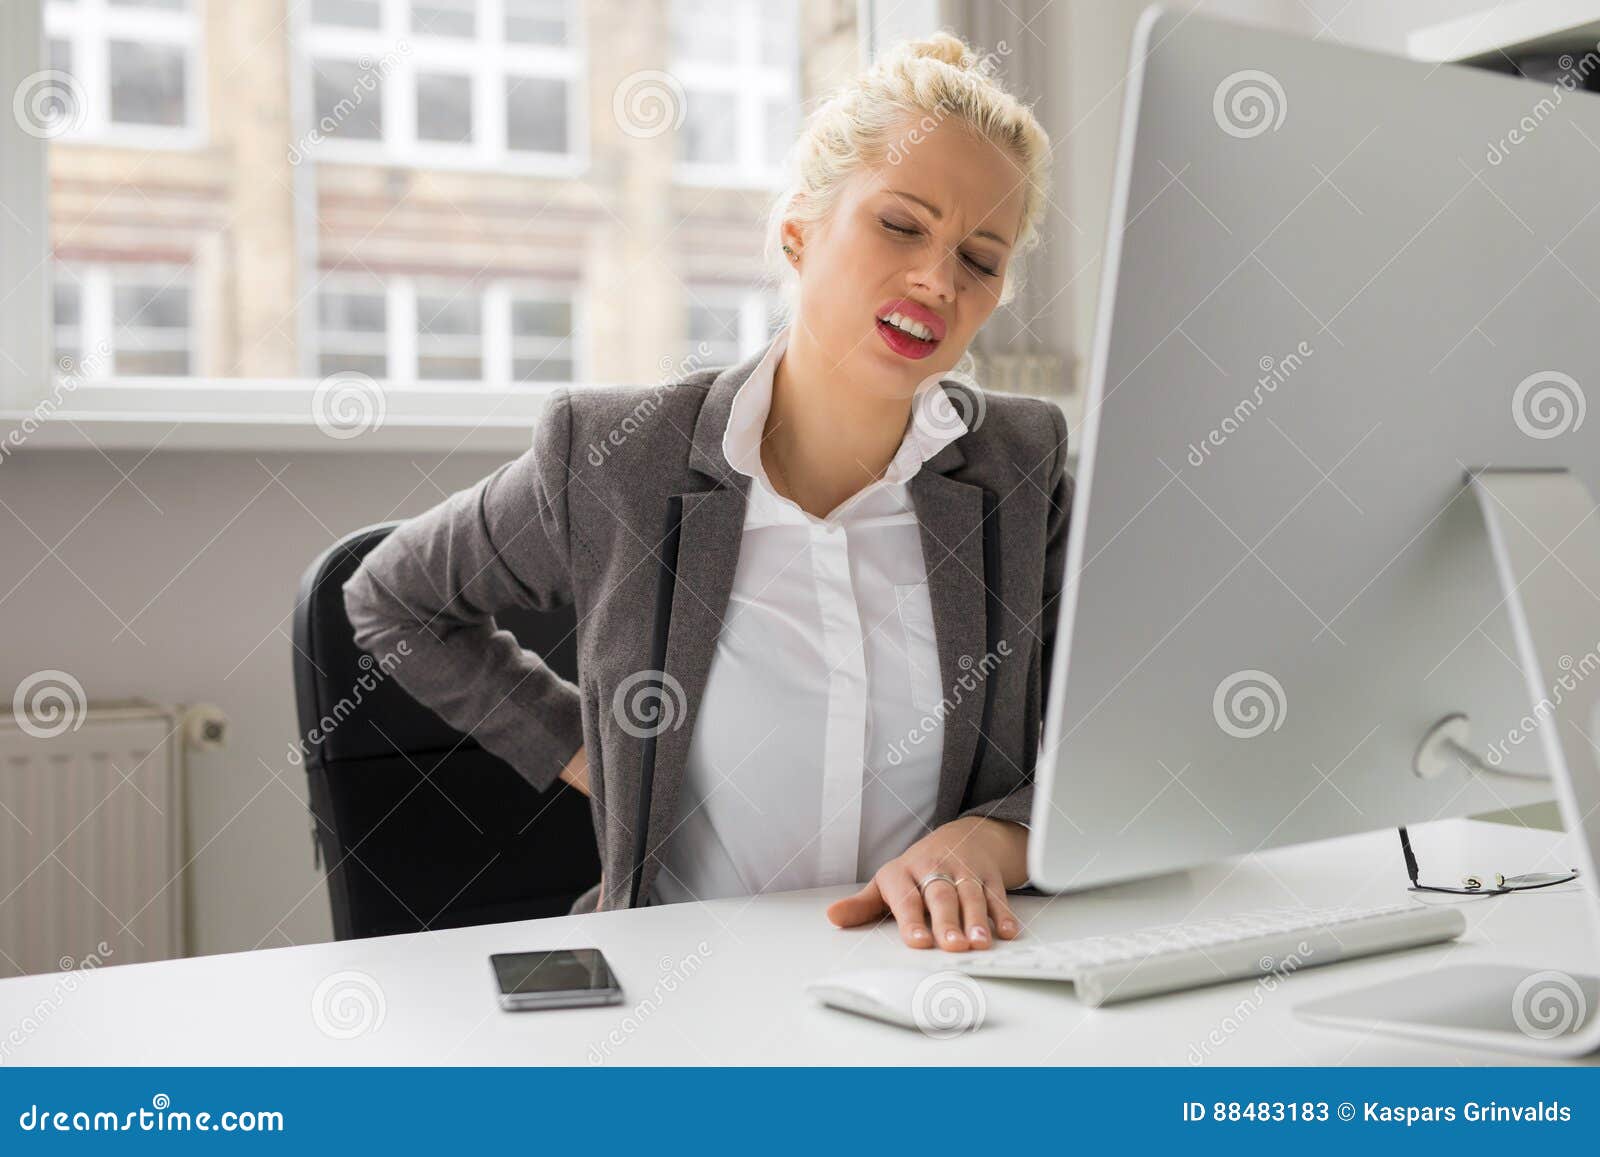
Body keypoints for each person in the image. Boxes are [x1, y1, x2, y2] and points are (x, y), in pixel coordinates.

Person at [342, 31, 1071, 953]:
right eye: (901, 225)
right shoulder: (617, 458)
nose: (937, 278)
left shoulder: (1018, 467)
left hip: (936, 978)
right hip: (692, 993)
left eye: (980, 257)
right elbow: (391, 598)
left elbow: (1118, 725)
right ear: (800, 231)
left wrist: (997, 836)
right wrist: (601, 758)